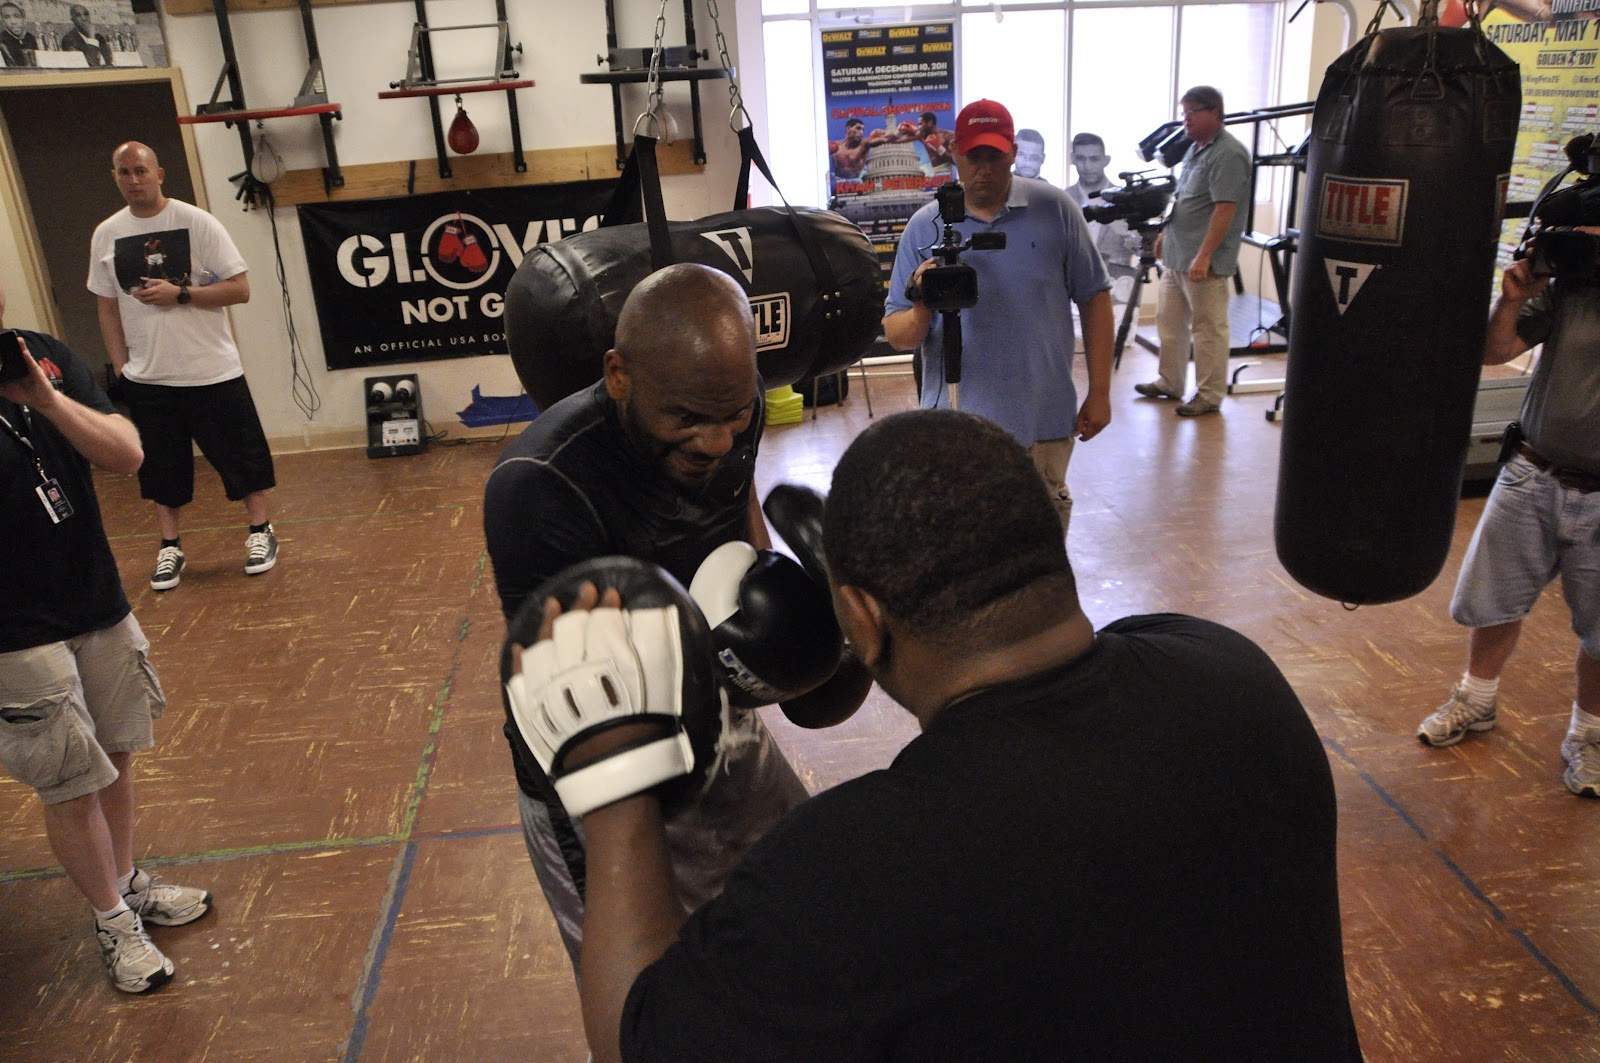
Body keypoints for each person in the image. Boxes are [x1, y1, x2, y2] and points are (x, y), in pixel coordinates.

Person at [528, 408, 1365, 1063]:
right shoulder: (1233, 672)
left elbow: (640, 1042)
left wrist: (615, 779)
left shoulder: (859, 864)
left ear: (861, 616)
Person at [483, 263, 822, 977]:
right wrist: (725, 650)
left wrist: (782, 621)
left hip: (717, 718)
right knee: (653, 992)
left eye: (733, 414)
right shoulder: (541, 485)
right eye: (689, 420)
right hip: (603, 774)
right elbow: (576, 696)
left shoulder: (734, 409)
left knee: (798, 907)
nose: (717, 442)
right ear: (618, 375)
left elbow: (737, 511)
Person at [0, 279, 213, 994]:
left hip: (95, 599)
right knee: (68, 779)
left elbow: (127, 454)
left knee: (117, 751)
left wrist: (46, 400)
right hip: (15, 630)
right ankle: (111, 918)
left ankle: (125, 882)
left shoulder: (47, 359)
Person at [1416, 246, 1600, 798]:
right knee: (1494, 598)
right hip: (1534, 471)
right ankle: (1476, 701)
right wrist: (1510, 301)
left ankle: (1589, 736)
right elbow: (1495, 351)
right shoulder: (1575, 287)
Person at [883, 97, 1114, 535]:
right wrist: (922, 303)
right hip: (955, 424)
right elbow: (898, 335)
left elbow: (1095, 298)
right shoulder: (924, 226)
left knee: (1039, 553)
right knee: (963, 553)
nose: (983, 168)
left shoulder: (1056, 210)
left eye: (995, 155)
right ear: (955, 153)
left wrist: (1100, 391)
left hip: (1043, 420)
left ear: (1012, 152)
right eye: (973, 156)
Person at [89, 141, 279, 591]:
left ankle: (260, 531)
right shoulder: (106, 234)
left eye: (140, 170)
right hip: (149, 377)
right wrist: (121, 367)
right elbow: (107, 308)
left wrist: (183, 295)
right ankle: (170, 546)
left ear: (159, 173)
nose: (134, 180)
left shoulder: (198, 223)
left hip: (211, 369)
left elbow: (240, 289)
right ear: (114, 177)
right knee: (161, 469)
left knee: (241, 456)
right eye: (124, 172)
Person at [1135, 86, 1250, 417]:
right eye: (1183, 112)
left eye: (1192, 112)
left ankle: (1209, 395)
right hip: (1176, 254)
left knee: (1208, 329)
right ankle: (1170, 382)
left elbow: (1224, 209)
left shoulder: (1228, 153)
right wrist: (1163, 234)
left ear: (1215, 112)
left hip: (1204, 261)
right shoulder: (1195, 150)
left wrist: (1204, 255)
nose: (1185, 118)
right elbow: (1184, 199)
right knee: (1169, 323)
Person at [1065, 132, 1144, 293]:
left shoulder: (1125, 200)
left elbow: (1143, 249)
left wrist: (1127, 235)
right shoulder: (1063, 199)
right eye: (1081, 158)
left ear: (1105, 160)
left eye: (1094, 159)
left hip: (1117, 287)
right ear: (1072, 159)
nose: (1087, 166)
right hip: (1074, 286)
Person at [0, 1, 37, 67]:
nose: (13, 22)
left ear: (24, 18)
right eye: (7, 17)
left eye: (17, 16)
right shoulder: (1, 40)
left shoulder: (30, 38)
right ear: (2, 21)